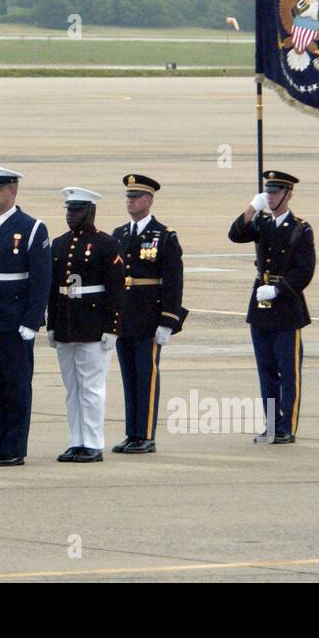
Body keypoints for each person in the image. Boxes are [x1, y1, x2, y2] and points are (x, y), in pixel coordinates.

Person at [0, 166, 51, 466]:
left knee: (15, 387)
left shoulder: (31, 228)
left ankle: (13, 448)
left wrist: (31, 321)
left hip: (13, 321)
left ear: (12, 191)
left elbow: (41, 281)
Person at [228, 170, 315, 444]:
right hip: (261, 306)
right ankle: (270, 425)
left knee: (288, 372)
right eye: (268, 192)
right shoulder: (261, 224)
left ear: (288, 195)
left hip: (287, 307)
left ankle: (286, 426)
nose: (271, 196)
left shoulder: (301, 229)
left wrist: (278, 289)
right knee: (266, 370)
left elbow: (304, 271)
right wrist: (252, 208)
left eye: (276, 192)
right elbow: (235, 234)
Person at [47, 187, 124, 463]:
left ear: (90, 211)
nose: (71, 215)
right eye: (68, 210)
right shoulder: (59, 243)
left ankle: (92, 442)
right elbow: (53, 288)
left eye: (76, 210)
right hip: (67, 322)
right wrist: (52, 324)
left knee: (91, 387)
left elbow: (116, 289)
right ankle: (76, 440)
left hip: (93, 324)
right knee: (73, 389)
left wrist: (113, 327)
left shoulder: (106, 244)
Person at [111, 174, 185, 454]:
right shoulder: (119, 234)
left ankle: (146, 435)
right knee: (129, 377)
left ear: (149, 201)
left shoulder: (163, 236)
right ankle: (133, 432)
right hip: (125, 317)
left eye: (136, 197)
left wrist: (168, 319)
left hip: (149, 318)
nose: (130, 202)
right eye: (128, 197)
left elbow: (173, 280)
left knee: (146, 376)